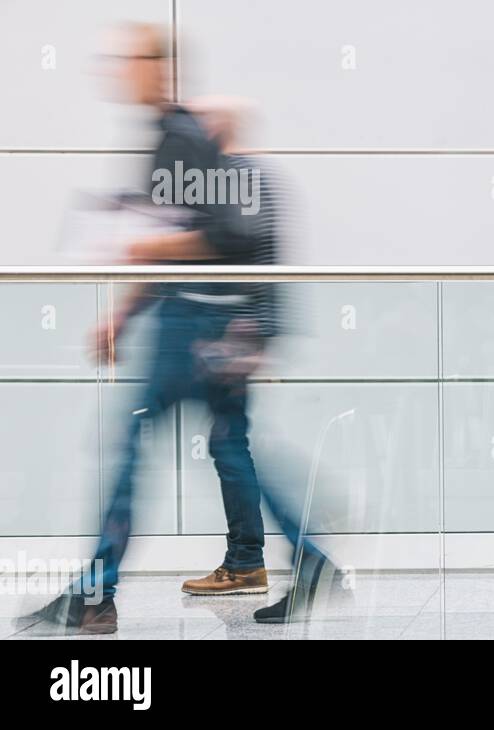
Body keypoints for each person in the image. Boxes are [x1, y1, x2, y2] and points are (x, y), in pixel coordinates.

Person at [31, 24, 330, 633]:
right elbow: (182, 245)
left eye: (126, 60)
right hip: (197, 322)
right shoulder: (170, 138)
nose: (116, 71)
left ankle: (96, 593)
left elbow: (230, 238)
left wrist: (147, 246)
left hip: (194, 326)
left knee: (134, 445)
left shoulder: (182, 137)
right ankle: (302, 555)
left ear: (157, 66)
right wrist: (125, 306)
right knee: (226, 447)